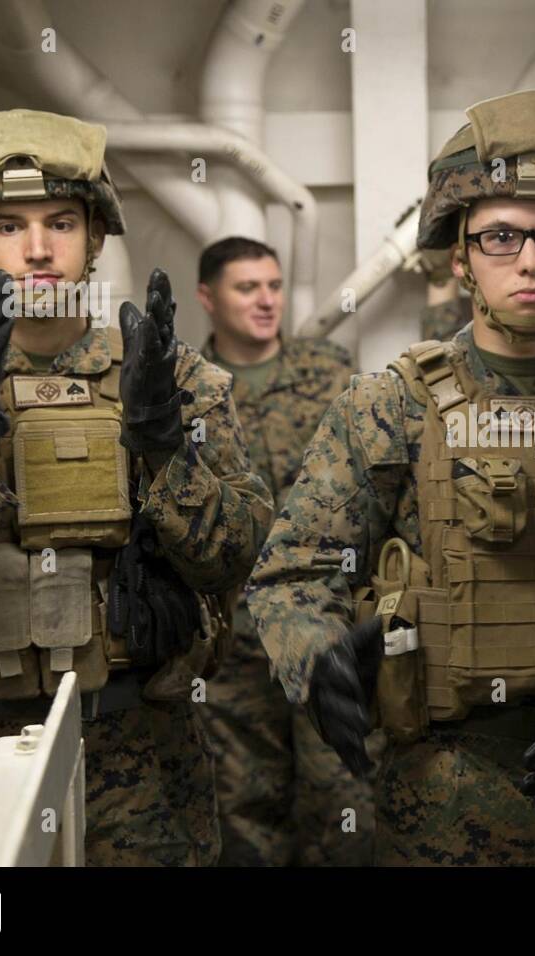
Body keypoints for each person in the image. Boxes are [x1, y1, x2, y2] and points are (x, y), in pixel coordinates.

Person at [0, 109, 273, 865]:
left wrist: (163, 446)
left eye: (62, 222)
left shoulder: (174, 378)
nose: (39, 250)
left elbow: (238, 557)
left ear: (95, 239)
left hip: (146, 756)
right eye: (9, 225)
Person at [246, 89, 535, 865]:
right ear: (459, 256)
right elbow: (291, 577)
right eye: (500, 237)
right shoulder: (390, 405)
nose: (529, 260)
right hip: (443, 802)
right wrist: (317, 657)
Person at [195, 236, 375, 866]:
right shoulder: (185, 389)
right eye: (248, 288)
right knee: (242, 804)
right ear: (207, 298)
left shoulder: (328, 372)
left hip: (324, 627)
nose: (266, 300)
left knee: (343, 795)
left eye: (274, 285)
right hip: (230, 642)